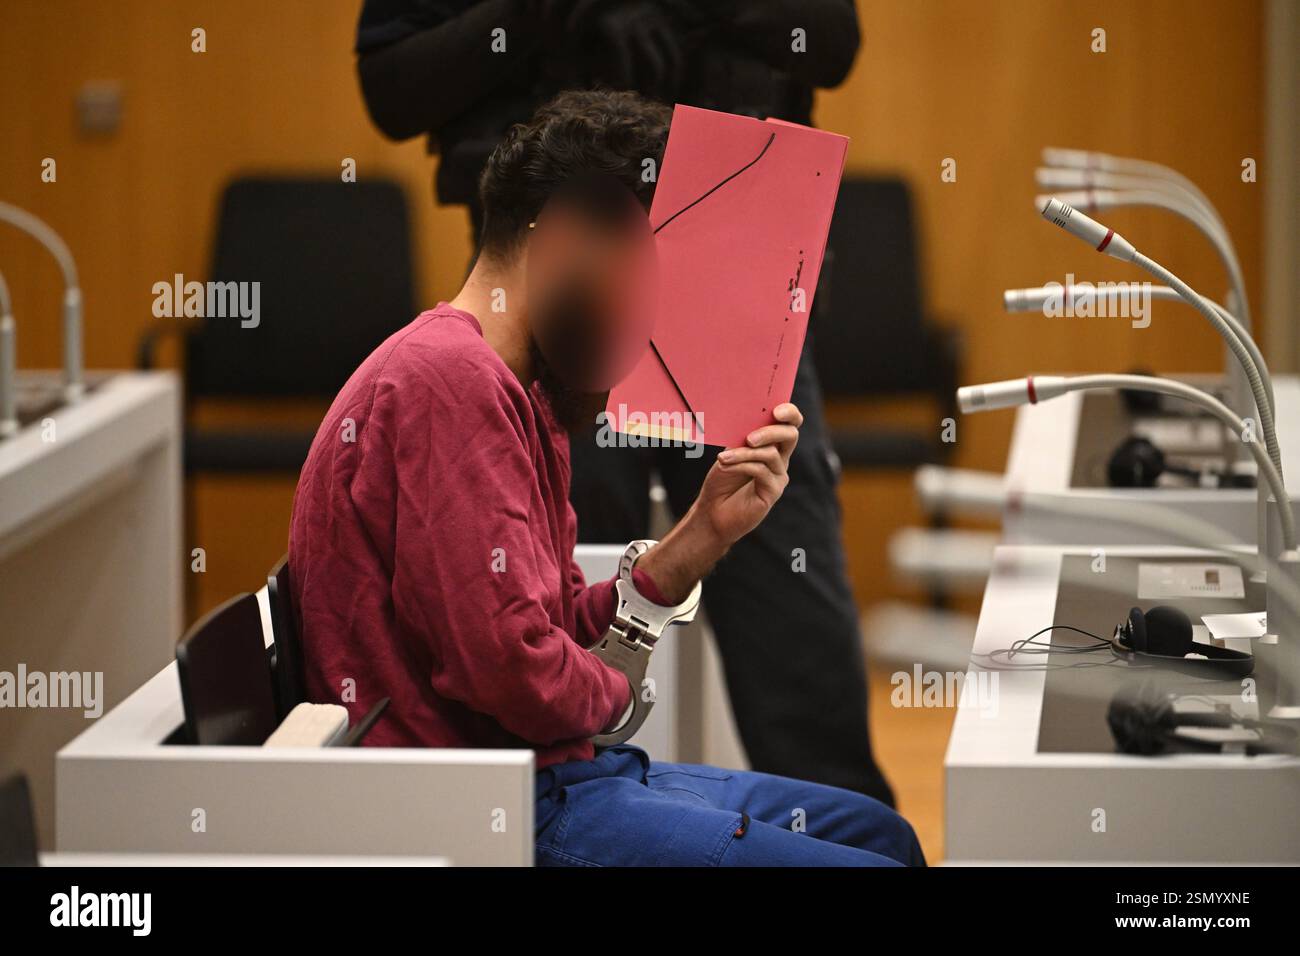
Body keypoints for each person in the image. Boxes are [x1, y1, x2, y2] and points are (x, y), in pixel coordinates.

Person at [289, 89, 921, 865]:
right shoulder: (449, 380)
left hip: (561, 776)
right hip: (503, 805)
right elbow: (507, 666)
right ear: (562, 236)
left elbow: (542, 621)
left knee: (882, 834)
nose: (647, 317)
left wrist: (701, 534)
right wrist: (618, 694)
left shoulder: (512, 385)